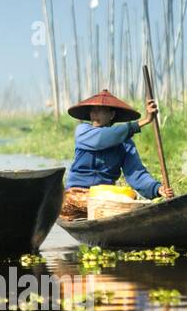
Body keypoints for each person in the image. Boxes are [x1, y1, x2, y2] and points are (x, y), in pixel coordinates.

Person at [62, 89, 174, 220]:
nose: (94, 114)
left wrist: (157, 189)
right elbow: (101, 138)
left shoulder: (125, 143)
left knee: (131, 200)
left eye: (99, 110)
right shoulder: (83, 132)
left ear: (111, 115)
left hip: (105, 198)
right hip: (76, 195)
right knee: (92, 203)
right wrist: (145, 121)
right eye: (93, 110)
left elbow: (136, 174)